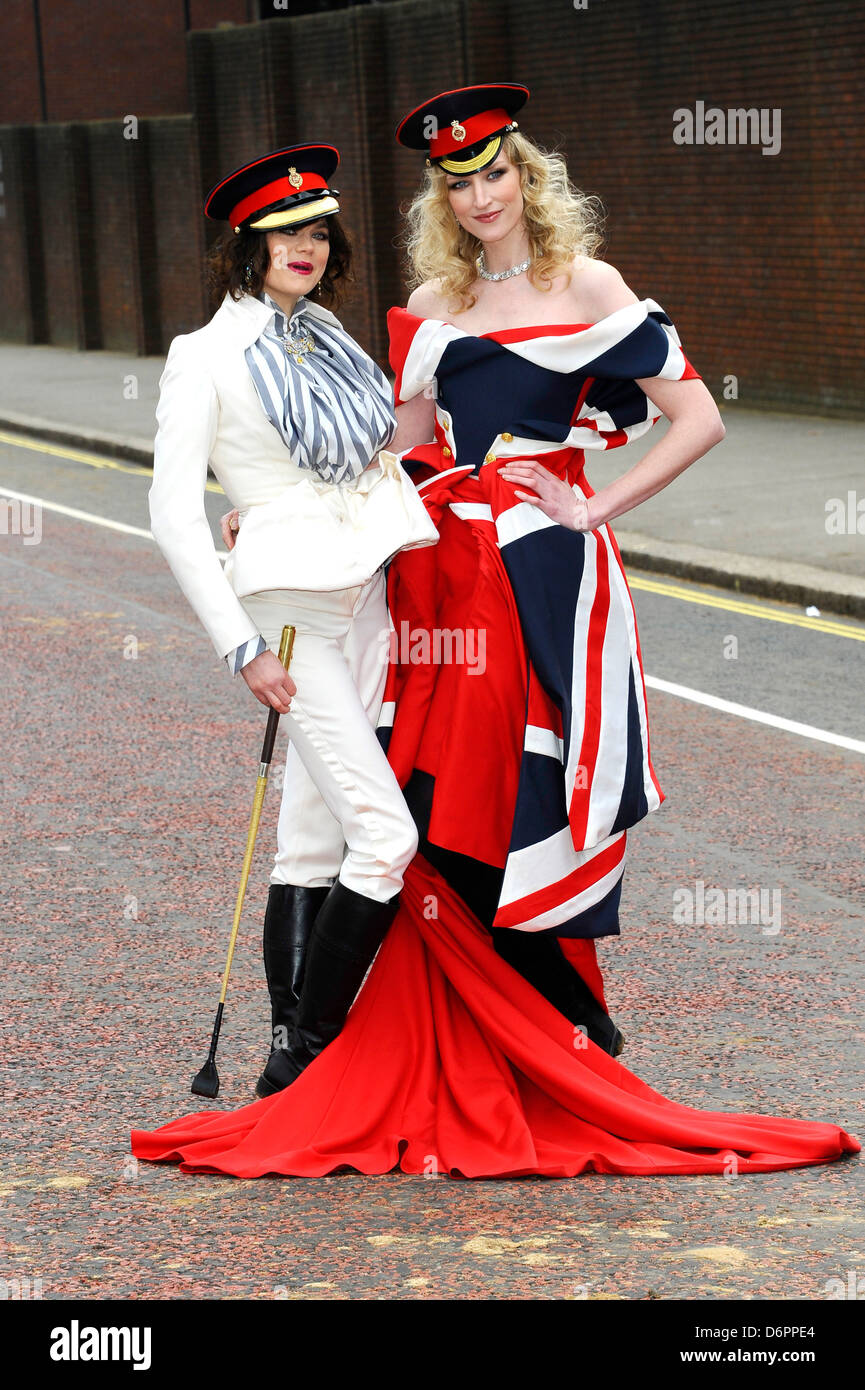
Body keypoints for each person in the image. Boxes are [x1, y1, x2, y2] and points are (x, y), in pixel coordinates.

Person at [131, 92, 858, 1178]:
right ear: (442, 197)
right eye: (457, 183)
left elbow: (698, 416)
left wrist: (596, 508)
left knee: (521, 796)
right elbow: (396, 453)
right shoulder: (433, 303)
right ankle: (385, 1044)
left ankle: (567, 1033)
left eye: (495, 175)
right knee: (433, 803)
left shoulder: (592, 285)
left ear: (528, 177)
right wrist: (271, 504)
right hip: (437, 577)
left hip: (545, 575)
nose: (479, 197)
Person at [147, 144, 435, 1101]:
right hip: (289, 622)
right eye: (284, 233)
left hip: (365, 602)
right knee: (385, 840)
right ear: (247, 246)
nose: (304, 247)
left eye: (316, 230)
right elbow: (172, 510)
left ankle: (288, 1060)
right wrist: (238, 646)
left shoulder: (327, 337)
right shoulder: (206, 356)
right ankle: (309, 1058)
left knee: (311, 843)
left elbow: (376, 449)